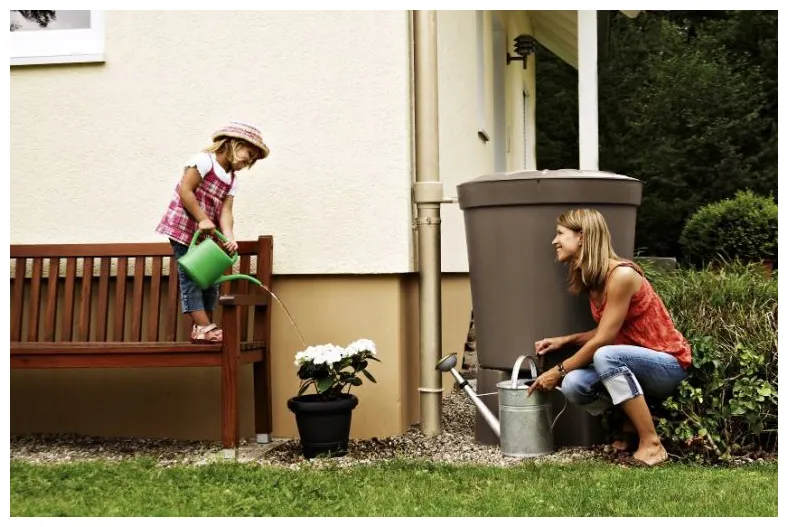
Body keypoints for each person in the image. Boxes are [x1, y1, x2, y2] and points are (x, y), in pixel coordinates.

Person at [527, 209, 691, 467]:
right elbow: (611, 330)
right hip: (633, 361)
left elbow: (604, 340)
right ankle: (630, 424)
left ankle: (652, 444)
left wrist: (556, 371)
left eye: (560, 234)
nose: (554, 241)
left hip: (668, 364)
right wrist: (566, 340)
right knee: (574, 384)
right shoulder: (593, 278)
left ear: (581, 237)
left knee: (603, 355)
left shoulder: (621, 275)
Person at [156, 121, 269, 343]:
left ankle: (202, 327)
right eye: (250, 153)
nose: (250, 160)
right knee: (192, 276)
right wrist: (202, 218)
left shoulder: (232, 179)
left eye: (254, 158)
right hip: (183, 228)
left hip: (206, 235)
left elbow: (226, 211)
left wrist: (229, 236)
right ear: (235, 143)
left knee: (210, 279)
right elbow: (185, 190)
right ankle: (204, 325)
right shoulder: (203, 161)